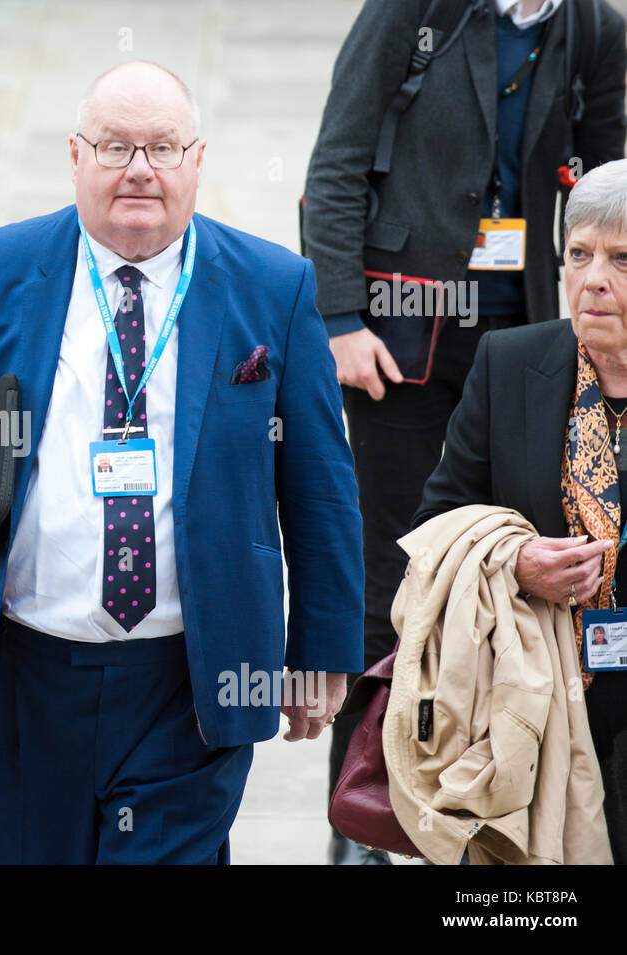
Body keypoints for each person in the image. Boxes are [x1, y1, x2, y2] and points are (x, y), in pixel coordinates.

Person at [0, 61, 364, 864]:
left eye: (162, 147)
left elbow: (322, 485)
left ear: (198, 160)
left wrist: (324, 647)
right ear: (74, 156)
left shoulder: (275, 286)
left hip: (190, 679)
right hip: (21, 677)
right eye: (115, 146)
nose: (139, 169)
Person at [301, 0, 626, 864]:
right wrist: (337, 315)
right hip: (400, 345)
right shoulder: (417, 9)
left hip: (527, 341)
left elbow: (608, 177)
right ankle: (368, 811)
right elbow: (336, 159)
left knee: (523, 574)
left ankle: (517, 801)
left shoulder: (594, 26)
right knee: (401, 576)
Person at [413, 157, 627, 863]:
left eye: (623, 258)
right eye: (579, 253)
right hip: (540, 712)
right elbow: (437, 523)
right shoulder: (508, 363)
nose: (594, 278)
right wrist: (513, 561)